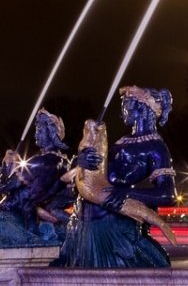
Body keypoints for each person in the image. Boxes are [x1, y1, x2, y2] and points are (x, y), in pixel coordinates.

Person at [53, 86, 176, 269]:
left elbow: (168, 195)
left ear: (143, 107)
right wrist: (81, 161)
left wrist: (126, 193)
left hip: (113, 229)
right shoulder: (121, 141)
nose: (122, 111)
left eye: (127, 104)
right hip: (82, 226)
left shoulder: (156, 147)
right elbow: (87, 175)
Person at [0, 110, 76, 235]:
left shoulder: (39, 162)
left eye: (39, 131)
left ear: (51, 134)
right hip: (36, 217)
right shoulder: (64, 162)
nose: (36, 135)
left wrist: (7, 165)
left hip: (17, 217)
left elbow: (5, 188)